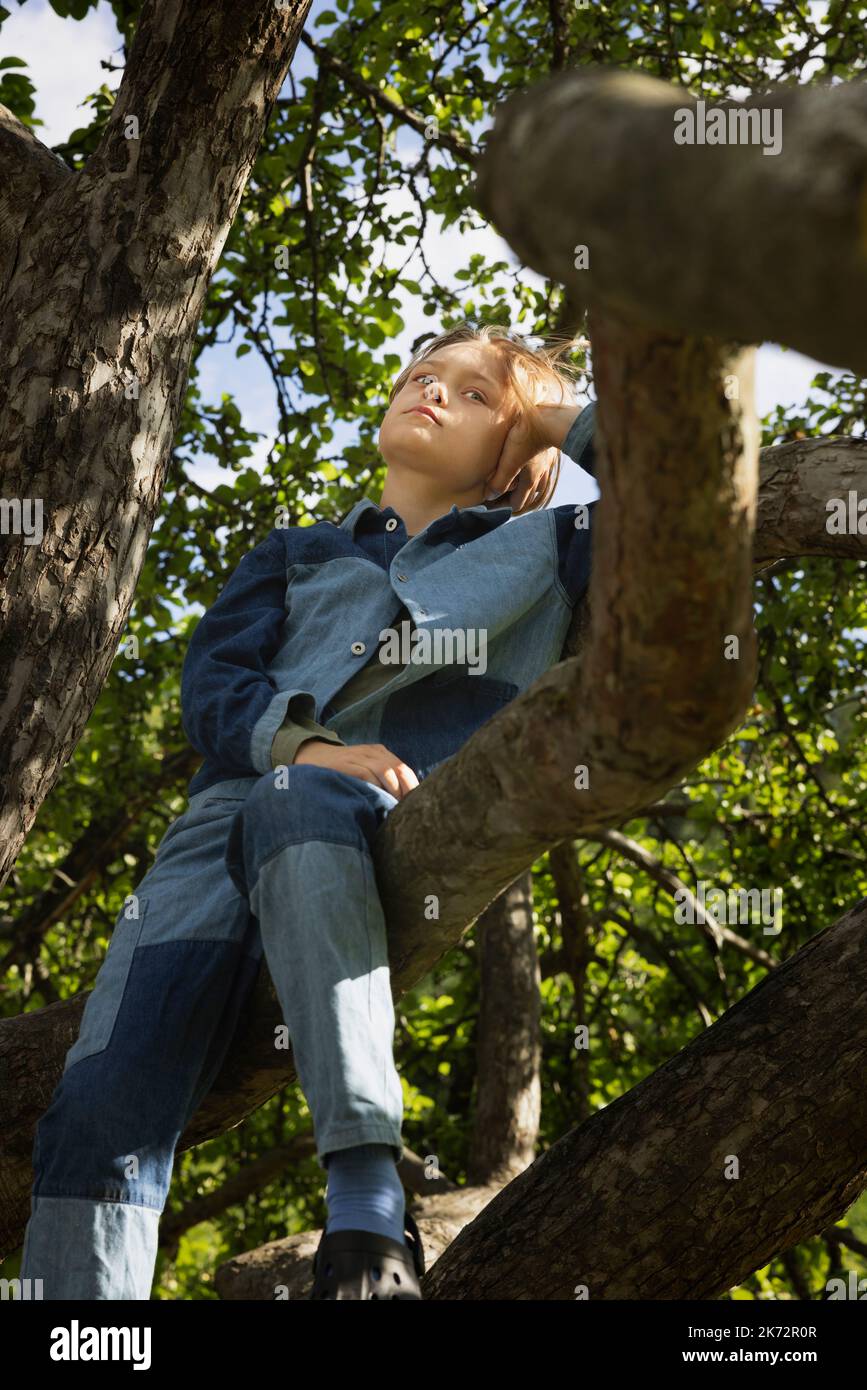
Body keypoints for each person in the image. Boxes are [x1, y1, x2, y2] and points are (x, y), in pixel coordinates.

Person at [20, 321, 599, 1300]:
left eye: (470, 391)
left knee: (302, 796)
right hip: (213, 838)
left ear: (515, 454)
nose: (429, 388)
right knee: (100, 1099)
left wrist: (556, 411)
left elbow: (681, 480)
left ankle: (369, 1217)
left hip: (388, 827)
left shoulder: (552, 548)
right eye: (422, 372)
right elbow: (214, 688)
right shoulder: (293, 552)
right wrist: (311, 744)